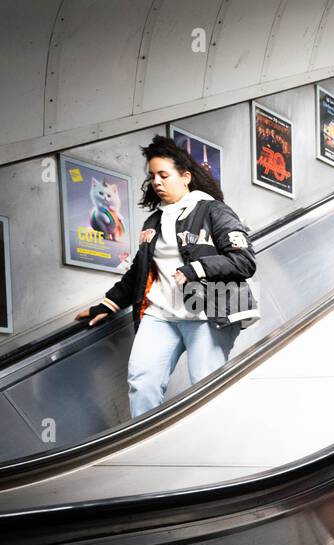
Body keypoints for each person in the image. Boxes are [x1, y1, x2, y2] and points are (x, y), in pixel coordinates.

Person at [76, 134, 257, 417]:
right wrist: (108, 304)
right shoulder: (155, 221)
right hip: (160, 315)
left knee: (205, 388)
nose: (157, 182)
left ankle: (210, 448)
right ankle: (145, 447)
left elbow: (243, 261)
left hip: (206, 313)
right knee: (142, 381)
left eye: (164, 175)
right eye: (152, 176)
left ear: (185, 177)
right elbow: (140, 270)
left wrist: (195, 269)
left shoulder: (214, 211)